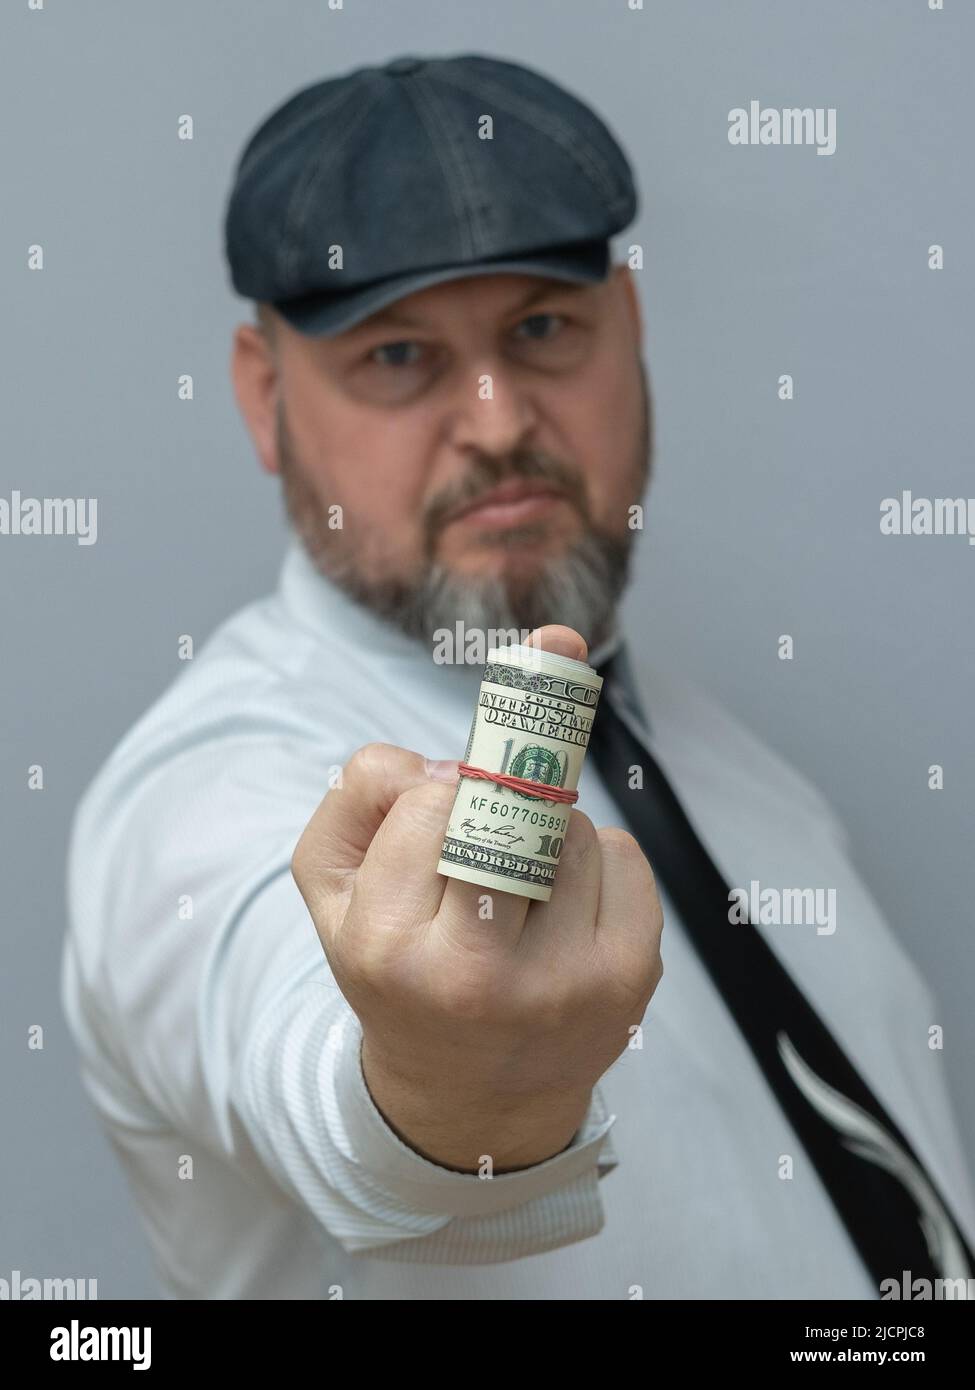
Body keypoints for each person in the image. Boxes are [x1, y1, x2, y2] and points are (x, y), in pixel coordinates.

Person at [62, 53, 974, 1300]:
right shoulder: (209, 795)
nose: (496, 421)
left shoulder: (739, 782)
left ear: (631, 330)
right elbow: (300, 1053)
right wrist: (440, 1086)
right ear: (265, 398)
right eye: (397, 357)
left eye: (542, 329)